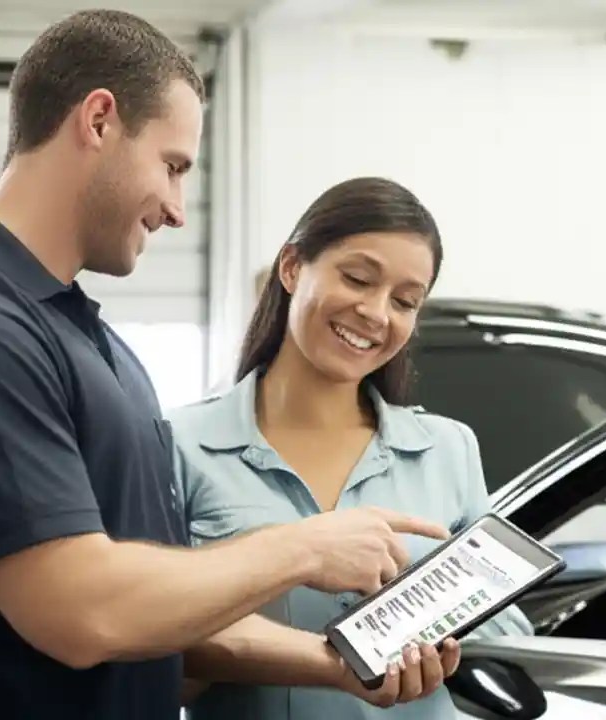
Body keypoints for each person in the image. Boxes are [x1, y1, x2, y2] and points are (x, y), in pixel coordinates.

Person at [0, 10, 461, 720]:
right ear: (99, 120)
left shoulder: (85, 343)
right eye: (173, 166)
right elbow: (85, 612)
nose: (176, 210)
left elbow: (163, 611)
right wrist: (301, 549)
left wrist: (341, 665)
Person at [168, 177, 535, 719]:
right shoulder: (180, 446)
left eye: (406, 301)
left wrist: (421, 617)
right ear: (291, 268)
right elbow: (149, 654)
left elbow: (506, 628)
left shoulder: (449, 449)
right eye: (358, 278)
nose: (377, 313)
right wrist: (284, 565)